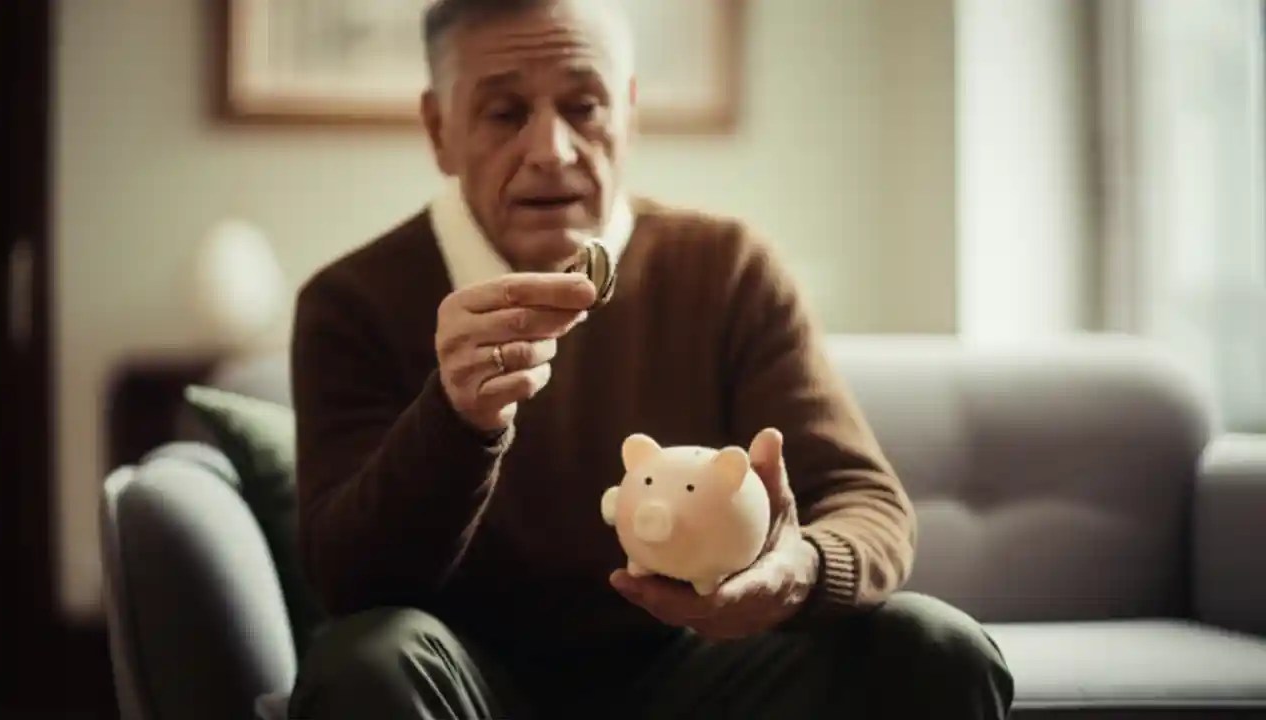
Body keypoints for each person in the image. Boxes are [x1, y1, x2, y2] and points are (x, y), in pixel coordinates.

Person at [286, 0, 1014, 717]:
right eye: (506, 114)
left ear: (628, 112)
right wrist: (456, 420)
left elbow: (869, 505)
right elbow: (348, 583)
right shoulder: (351, 301)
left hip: (702, 670)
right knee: (365, 661)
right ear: (439, 128)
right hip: (470, 679)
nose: (552, 150)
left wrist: (796, 572)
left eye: (584, 107)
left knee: (935, 645)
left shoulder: (726, 269)